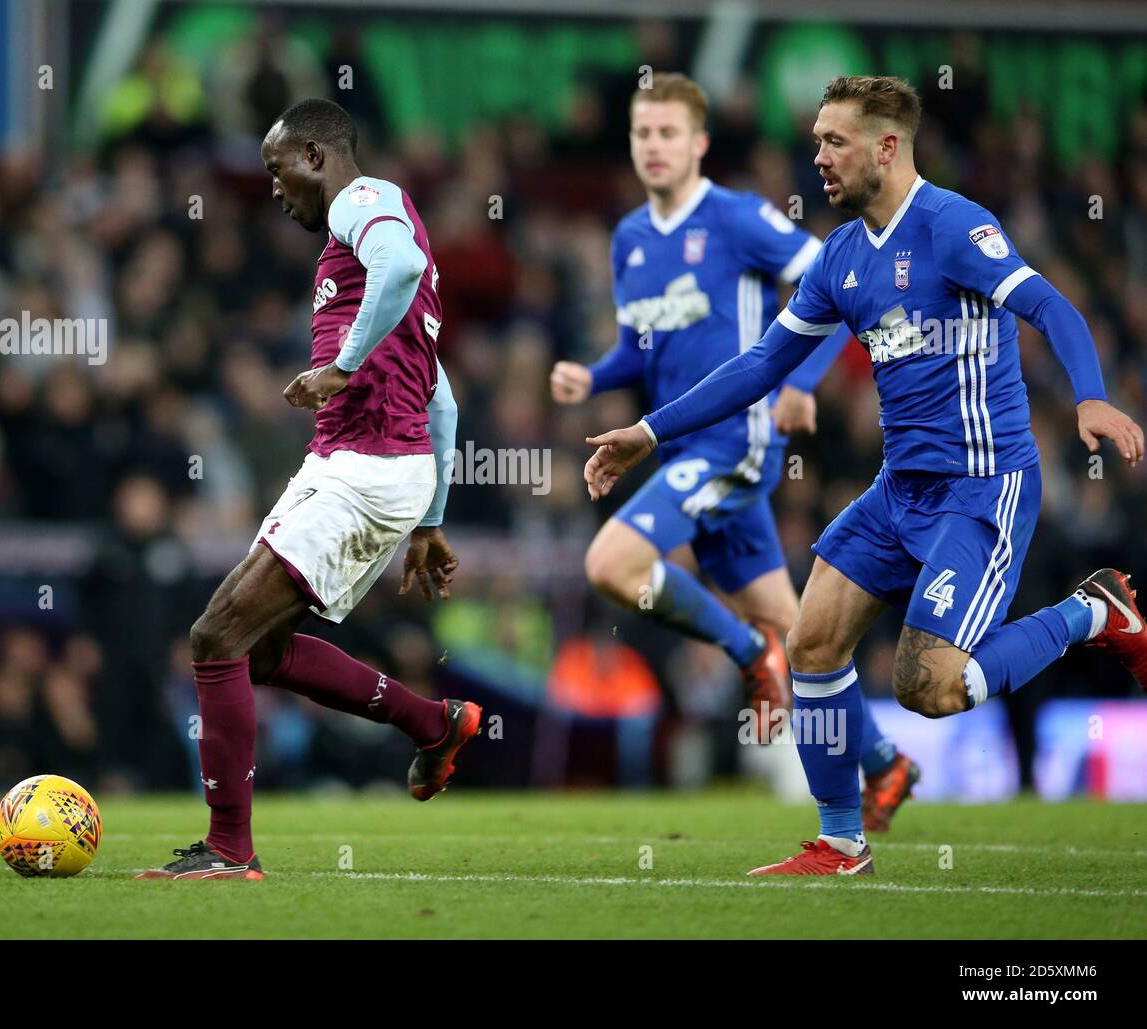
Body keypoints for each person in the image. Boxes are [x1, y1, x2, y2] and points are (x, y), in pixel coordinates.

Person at [583, 76, 1146, 876]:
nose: (817, 156)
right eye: (815, 139)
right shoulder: (842, 256)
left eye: (833, 141)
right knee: (810, 643)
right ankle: (841, 842)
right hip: (898, 490)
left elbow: (1054, 309)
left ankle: (1093, 612)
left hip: (981, 489)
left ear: (887, 147)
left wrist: (1091, 395)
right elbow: (759, 366)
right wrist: (647, 429)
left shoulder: (955, 227)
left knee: (930, 687)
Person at [553, 73, 917, 823]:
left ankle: (749, 657)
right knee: (803, 632)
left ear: (699, 143)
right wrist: (592, 374)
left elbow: (836, 278)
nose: (654, 148)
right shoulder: (628, 239)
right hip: (682, 445)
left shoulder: (737, 219)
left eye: (668, 134)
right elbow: (640, 348)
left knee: (610, 564)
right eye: (642, 134)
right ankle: (884, 763)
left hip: (730, 443)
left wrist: (801, 379)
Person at [138, 99, 479, 880]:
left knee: (213, 636)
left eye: (277, 167)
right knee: (256, 649)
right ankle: (435, 723)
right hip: (365, 465)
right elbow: (443, 397)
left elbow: (395, 267)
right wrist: (430, 519)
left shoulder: (367, 203)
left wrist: (342, 367)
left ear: (318, 157)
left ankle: (228, 849)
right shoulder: (364, 243)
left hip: (363, 465)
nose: (273, 186)